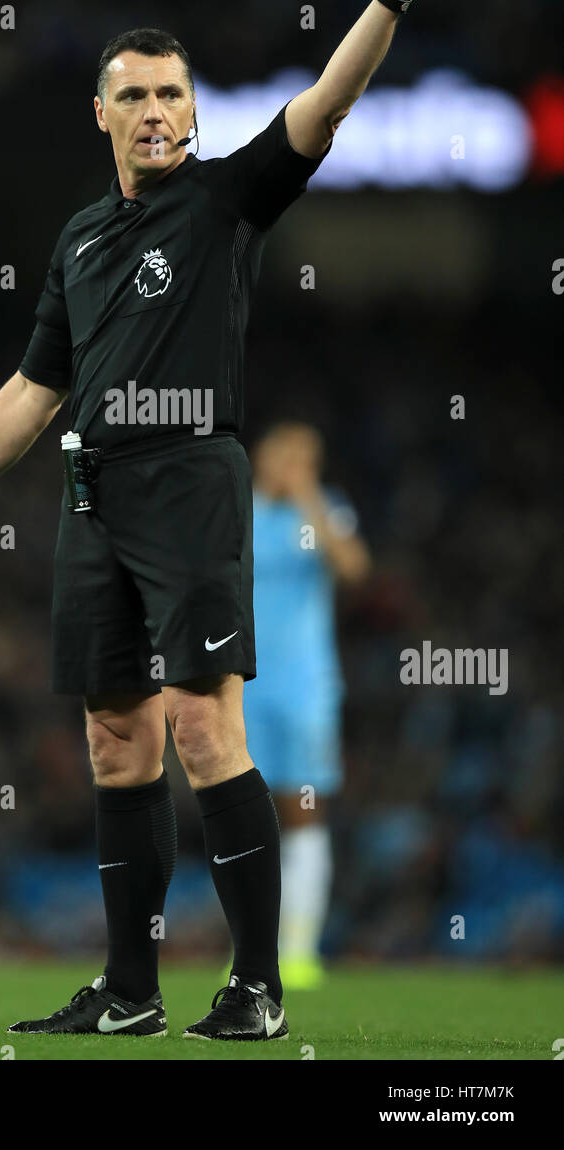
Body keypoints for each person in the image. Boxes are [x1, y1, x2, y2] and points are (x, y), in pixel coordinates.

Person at [0, 0, 438, 1042]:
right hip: (94, 494)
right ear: (102, 113)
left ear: (193, 112)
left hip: (192, 481)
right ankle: (129, 991)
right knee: (115, 737)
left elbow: (327, 105)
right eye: (133, 93)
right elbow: (36, 390)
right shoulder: (81, 240)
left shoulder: (226, 201)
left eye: (172, 93)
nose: (154, 110)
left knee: (202, 727)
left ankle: (256, 986)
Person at [243, 424, 370, 993]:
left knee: (302, 810)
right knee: (241, 813)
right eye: (280, 455)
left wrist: (308, 495)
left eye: (302, 459)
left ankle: (298, 950)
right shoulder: (236, 511)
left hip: (303, 687)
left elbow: (353, 568)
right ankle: (247, 948)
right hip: (241, 684)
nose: (288, 466)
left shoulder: (325, 511)